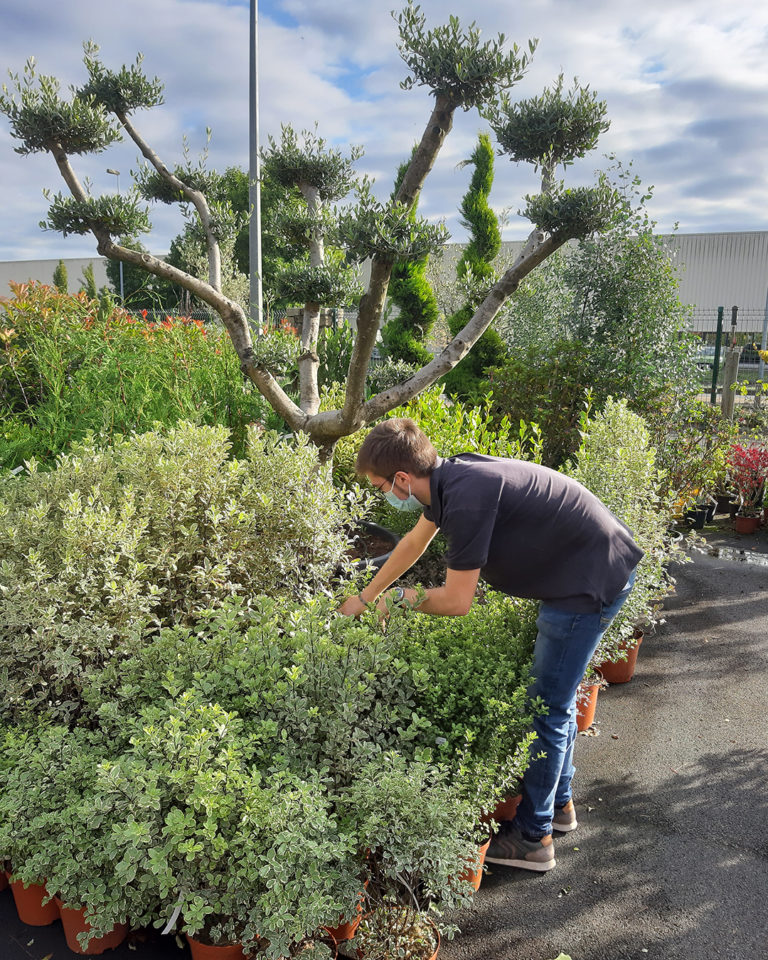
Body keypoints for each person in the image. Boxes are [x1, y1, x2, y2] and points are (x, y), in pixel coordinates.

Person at [339, 418, 643, 872]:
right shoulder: (449, 480)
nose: (381, 492)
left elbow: (458, 601)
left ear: (402, 478)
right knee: (553, 701)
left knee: (548, 707)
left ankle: (533, 837)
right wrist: (364, 598)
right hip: (585, 567)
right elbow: (412, 545)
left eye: (380, 485)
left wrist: (401, 600)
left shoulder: (465, 499)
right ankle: (558, 808)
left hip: (588, 581)